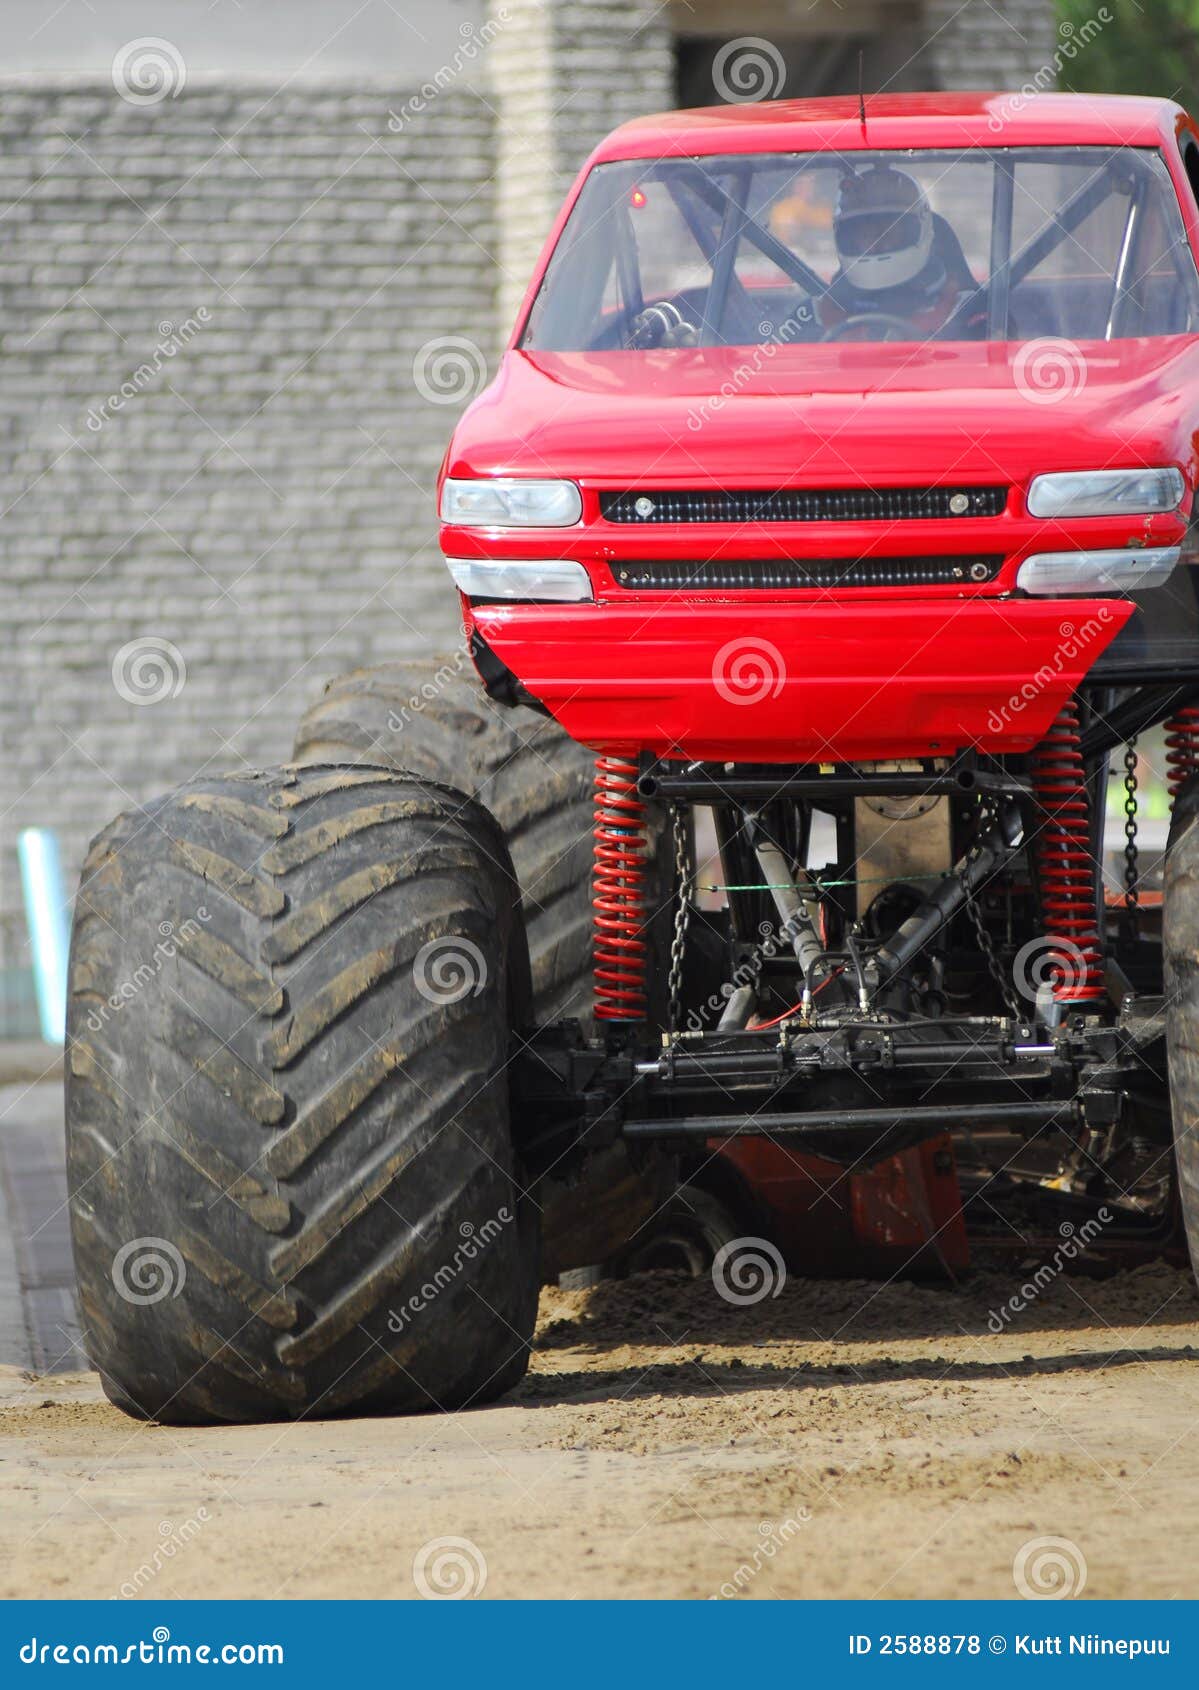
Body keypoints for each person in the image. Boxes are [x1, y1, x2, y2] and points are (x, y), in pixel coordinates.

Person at [821, 163, 972, 338]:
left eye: (887, 231)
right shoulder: (824, 311)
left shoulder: (959, 309)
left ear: (917, 229)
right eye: (864, 233)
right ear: (846, 237)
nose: (875, 243)